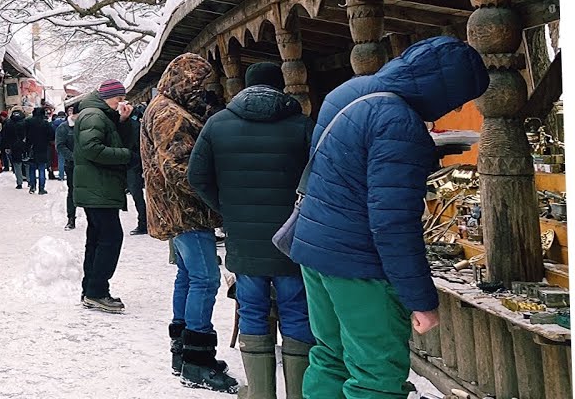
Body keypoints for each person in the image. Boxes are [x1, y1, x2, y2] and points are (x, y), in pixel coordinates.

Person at [290, 36, 487, 399]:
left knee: (330, 358)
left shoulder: (350, 92)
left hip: (315, 250)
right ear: (445, 89)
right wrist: (420, 300)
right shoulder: (399, 121)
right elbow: (393, 222)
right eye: (459, 98)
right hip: (359, 264)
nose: (455, 107)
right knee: (376, 376)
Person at [189, 62, 314, 399]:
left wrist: (227, 209)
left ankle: (260, 393)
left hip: (244, 239)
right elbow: (318, 175)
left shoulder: (217, 124)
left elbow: (196, 176)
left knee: (253, 309)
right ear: (281, 87)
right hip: (291, 238)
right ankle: (298, 394)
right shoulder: (301, 125)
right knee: (296, 310)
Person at [141, 53, 237, 392]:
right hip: (185, 211)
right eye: (199, 85)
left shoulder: (164, 106)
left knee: (187, 275)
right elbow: (179, 168)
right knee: (206, 279)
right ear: (185, 82)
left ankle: (182, 351)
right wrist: (215, 197)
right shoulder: (170, 115)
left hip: (174, 209)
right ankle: (198, 361)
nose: (204, 91)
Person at [72, 79, 135, 313]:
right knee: (110, 238)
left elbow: (112, 139)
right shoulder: (94, 115)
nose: (122, 103)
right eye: (119, 98)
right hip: (98, 187)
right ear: (109, 97)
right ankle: (97, 291)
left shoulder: (100, 114)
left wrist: (123, 121)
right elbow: (92, 148)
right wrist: (125, 156)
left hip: (98, 187)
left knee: (97, 239)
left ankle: (91, 289)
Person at [126, 103, 149, 236]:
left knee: (137, 194)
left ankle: (143, 223)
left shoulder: (132, 125)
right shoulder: (141, 124)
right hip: (142, 161)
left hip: (133, 163)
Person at [56, 103, 78, 230]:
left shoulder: (86, 126)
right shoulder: (63, 128)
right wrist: (73, 157)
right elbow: (60, 146)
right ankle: (71, 218)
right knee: (72, 191)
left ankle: (92, 219)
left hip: (87, 165)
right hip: (71, 165)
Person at [24, 107, 55, 194]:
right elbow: (51, 135)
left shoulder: (28, 122)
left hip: (31, 148)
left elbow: (25, 134)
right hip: (43, 147)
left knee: (32, 168)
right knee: (42, 168)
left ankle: (32, 186)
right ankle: (41, 188)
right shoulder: (46, 123)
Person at [0, 108, 30, 190]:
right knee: (27, 163)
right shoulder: (26, 122)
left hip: (13, 146)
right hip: (25, 146)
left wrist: (6, 146)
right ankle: (29, 180)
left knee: (17, 164)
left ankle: (19, 182)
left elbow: (4, 136)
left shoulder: (9, 123)